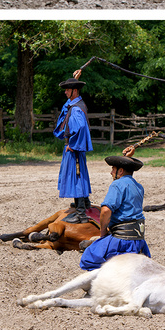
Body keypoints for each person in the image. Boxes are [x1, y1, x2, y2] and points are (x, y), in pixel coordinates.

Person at [77, 151, 151, 271]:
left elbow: (106, 210)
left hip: (123, 240)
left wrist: (102, 233)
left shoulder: (117, 184)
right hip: (138, 241)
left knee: (88, 258)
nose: (111, 172)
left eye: (113, 169)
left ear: (120, 171)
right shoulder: (139, 187)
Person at [54, 71, 93, 221]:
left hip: (74, 149)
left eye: (67, 89)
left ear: (74, 91)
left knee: (77, 177)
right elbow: (66, 110)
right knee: (79, 175)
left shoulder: (76, 109)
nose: (65, 92)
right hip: (75, 148)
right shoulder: (75, 104)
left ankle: (81, 213)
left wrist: (73, 145)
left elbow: (81, 128)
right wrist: (74, 80)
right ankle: (84, 204)